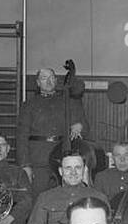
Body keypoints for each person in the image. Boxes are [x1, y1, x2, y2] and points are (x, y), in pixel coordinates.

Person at [22, 153, 107, 224]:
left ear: (84, 170)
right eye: (68, 168)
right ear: (61, 171)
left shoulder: (99, 198)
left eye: (77, 168)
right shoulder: (45, 198)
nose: (73, 172)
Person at [18, 66, 90, 197]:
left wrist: (79, 125)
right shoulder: (29, 105)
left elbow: (85, 128)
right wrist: (25, 165)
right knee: (38, 199)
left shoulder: (68, 102)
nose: (48, 81)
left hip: (62, 157)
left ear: (56, 81)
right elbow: (21, 137)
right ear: (38, 83)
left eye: (51, 78)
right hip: (38, 161)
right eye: (44, 78)